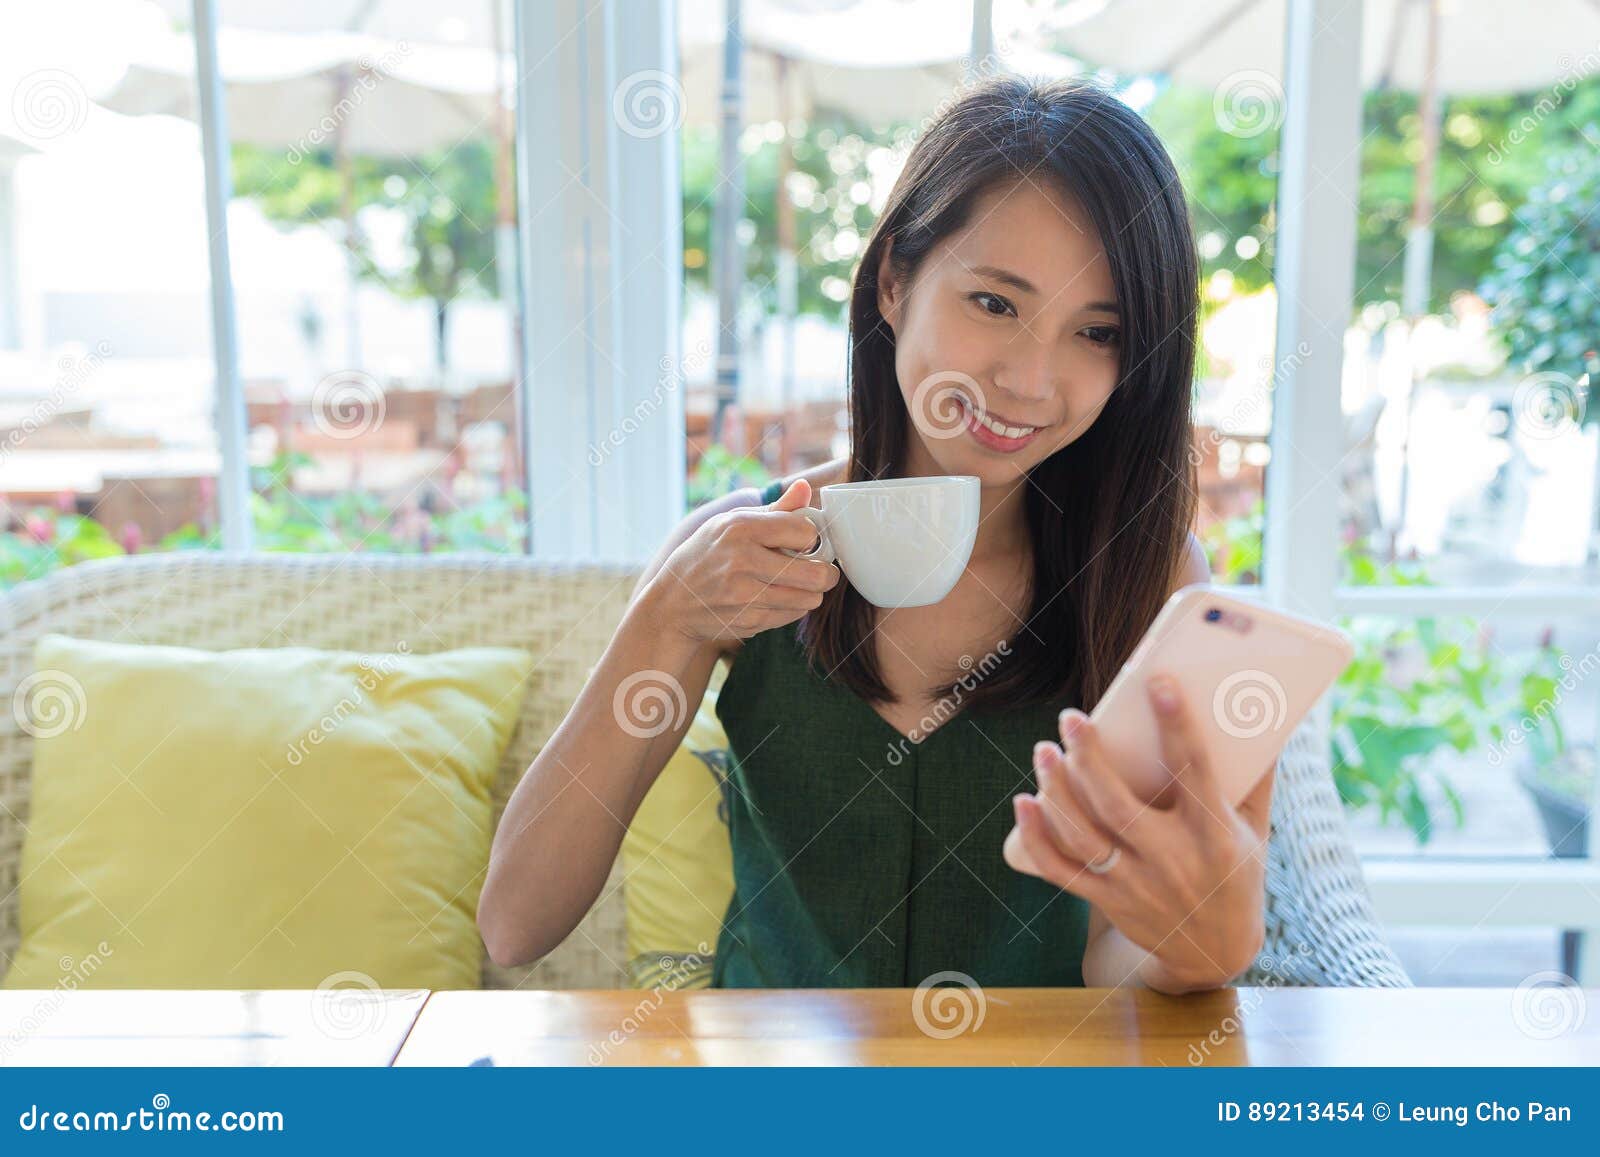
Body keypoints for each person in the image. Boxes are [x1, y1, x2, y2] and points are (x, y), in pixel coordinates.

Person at [478, 75, 1273, 992]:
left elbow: (1119, 967)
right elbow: (516, 921)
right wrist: (665, 621)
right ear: (894, 280)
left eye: (1097, 332)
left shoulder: (1152, 582)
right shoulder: (745, 548)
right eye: (995, 304)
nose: (1029, 381)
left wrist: (1198, 941)